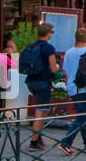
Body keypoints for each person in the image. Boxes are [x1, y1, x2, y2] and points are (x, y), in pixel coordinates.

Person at [58, 28, 86, 155]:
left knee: (83, 114)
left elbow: (65, 72)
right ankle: (66, 142)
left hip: (72, 88)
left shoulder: (68, 53)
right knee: (82, 116)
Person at [21, 23, 60, 151]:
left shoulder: (31, 46)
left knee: (43, 110)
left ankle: (38, 135)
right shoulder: (48, 48)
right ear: (48, 33)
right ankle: (34, 142)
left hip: (31, 81)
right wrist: (58, 68)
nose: (51, 35)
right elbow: (53, 68)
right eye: (51, 33)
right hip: (43, 81)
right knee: (41, 112)